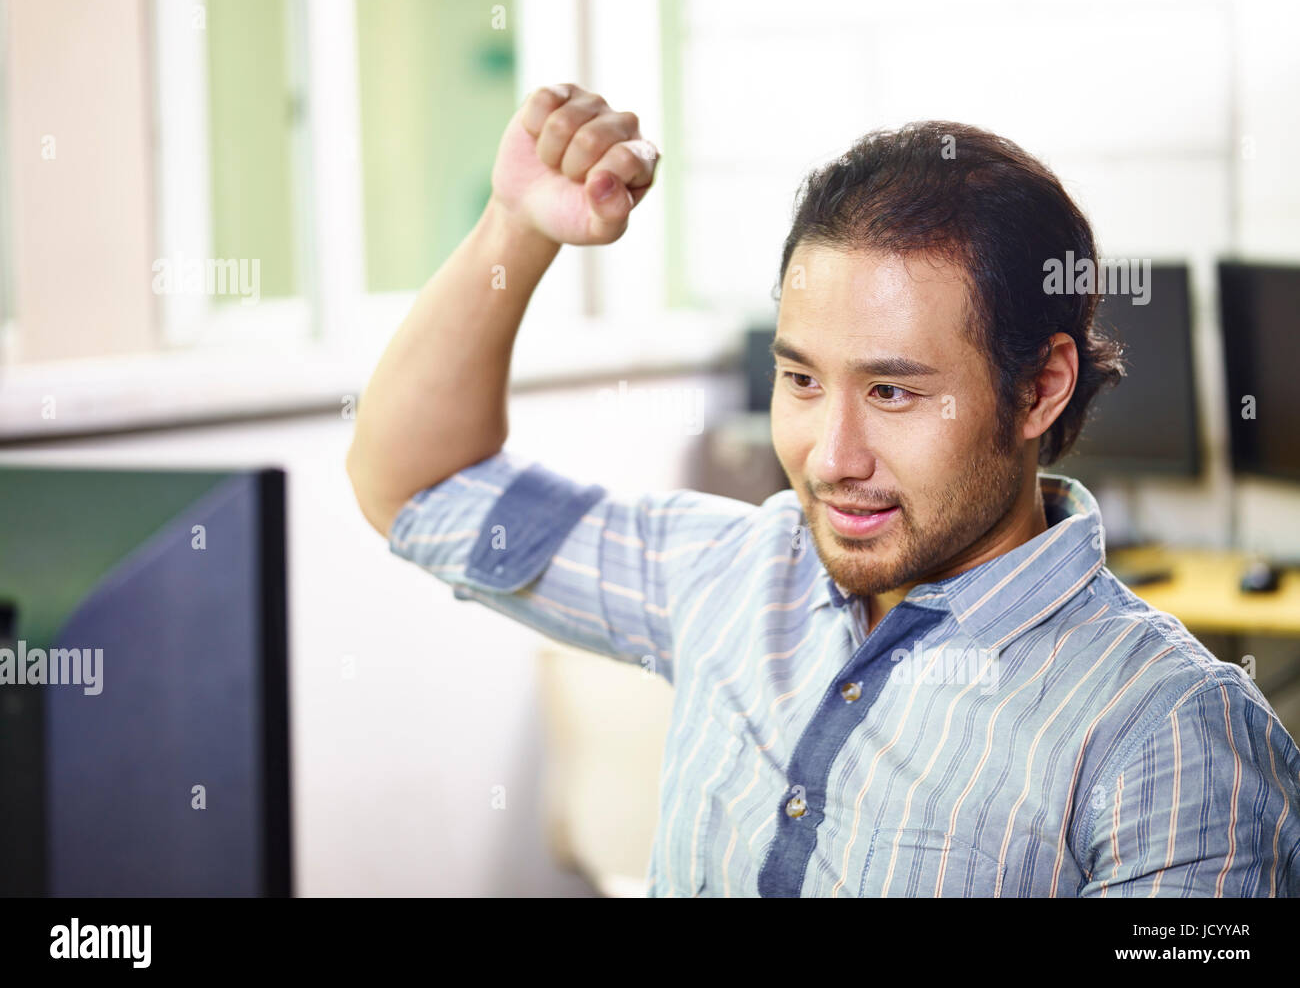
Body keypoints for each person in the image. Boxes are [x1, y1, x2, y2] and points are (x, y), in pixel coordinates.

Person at [347, 83, 1300, 897]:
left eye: (893, 390)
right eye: (802, 379)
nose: (829, 455)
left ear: (1040, 387)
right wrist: (514, 227)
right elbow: (416, 486)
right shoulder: (737, 569)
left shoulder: (1172, 738)